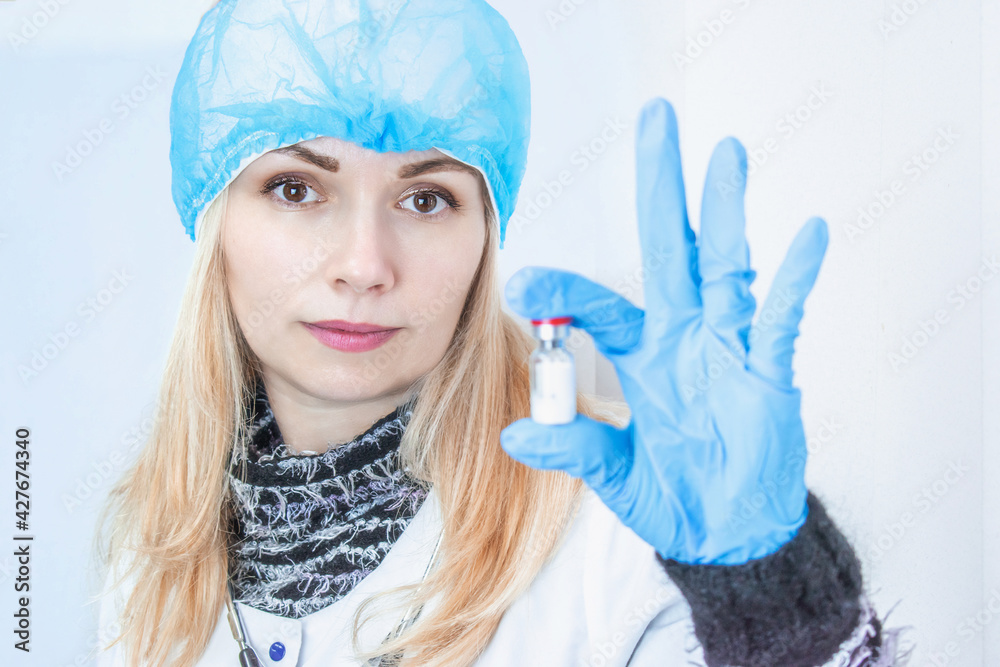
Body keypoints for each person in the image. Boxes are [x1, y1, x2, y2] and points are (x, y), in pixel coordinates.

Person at [94, 0, 908, 665]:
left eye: (425, 198)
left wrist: (773, 596)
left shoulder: (625, 515)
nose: (363, 264)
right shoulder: (152, 550)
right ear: (214, 222)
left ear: (487, 233)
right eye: (297, 188)